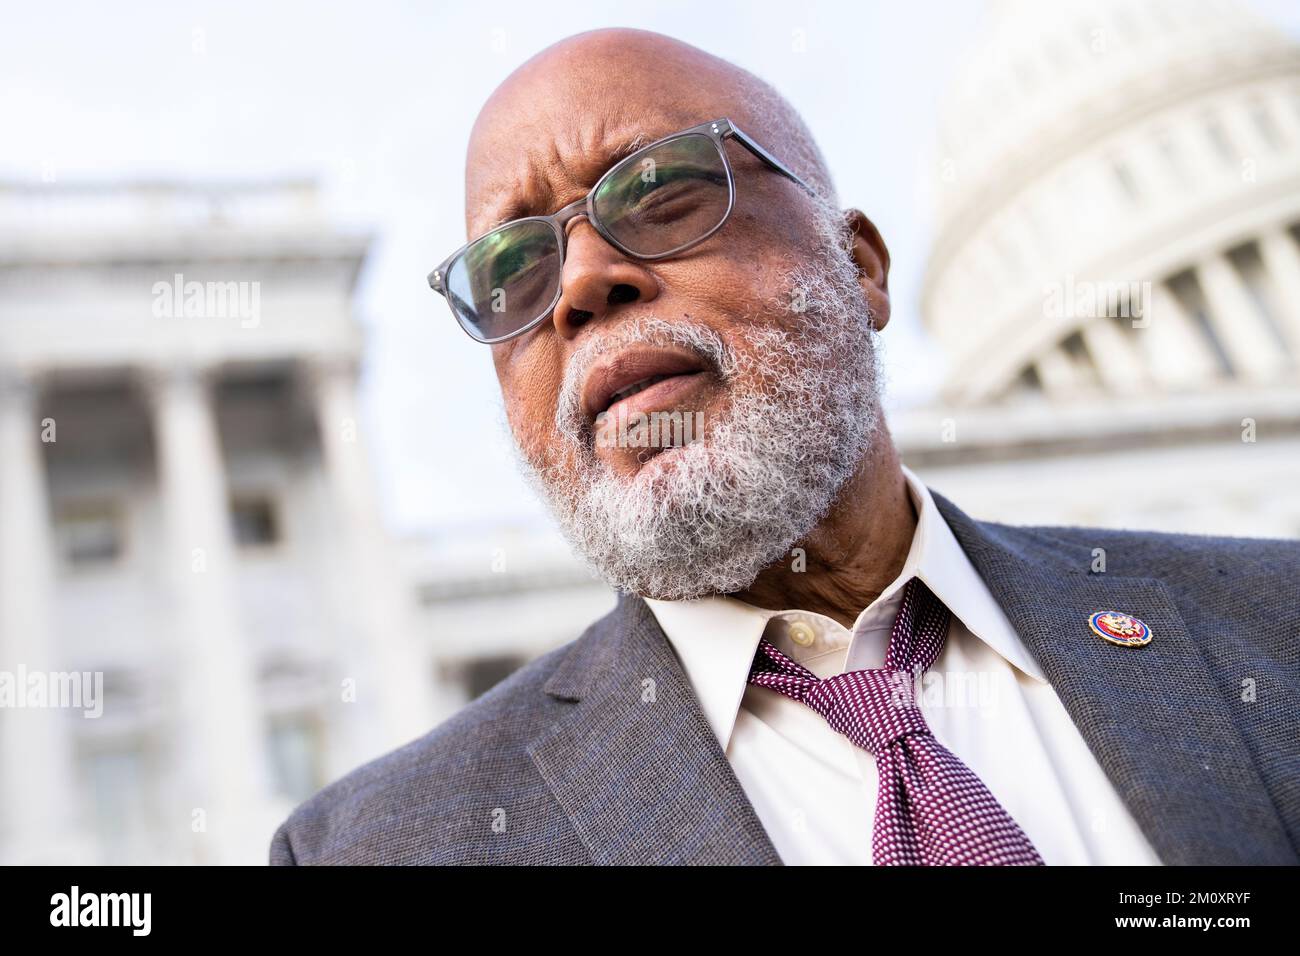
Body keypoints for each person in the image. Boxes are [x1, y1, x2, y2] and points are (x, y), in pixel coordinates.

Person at [271, 28, 1300, 866]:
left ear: (859, 269)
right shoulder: (376, 851)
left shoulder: (1274, 630)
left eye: (663, 190)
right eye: (510, 272)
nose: (582, 283)